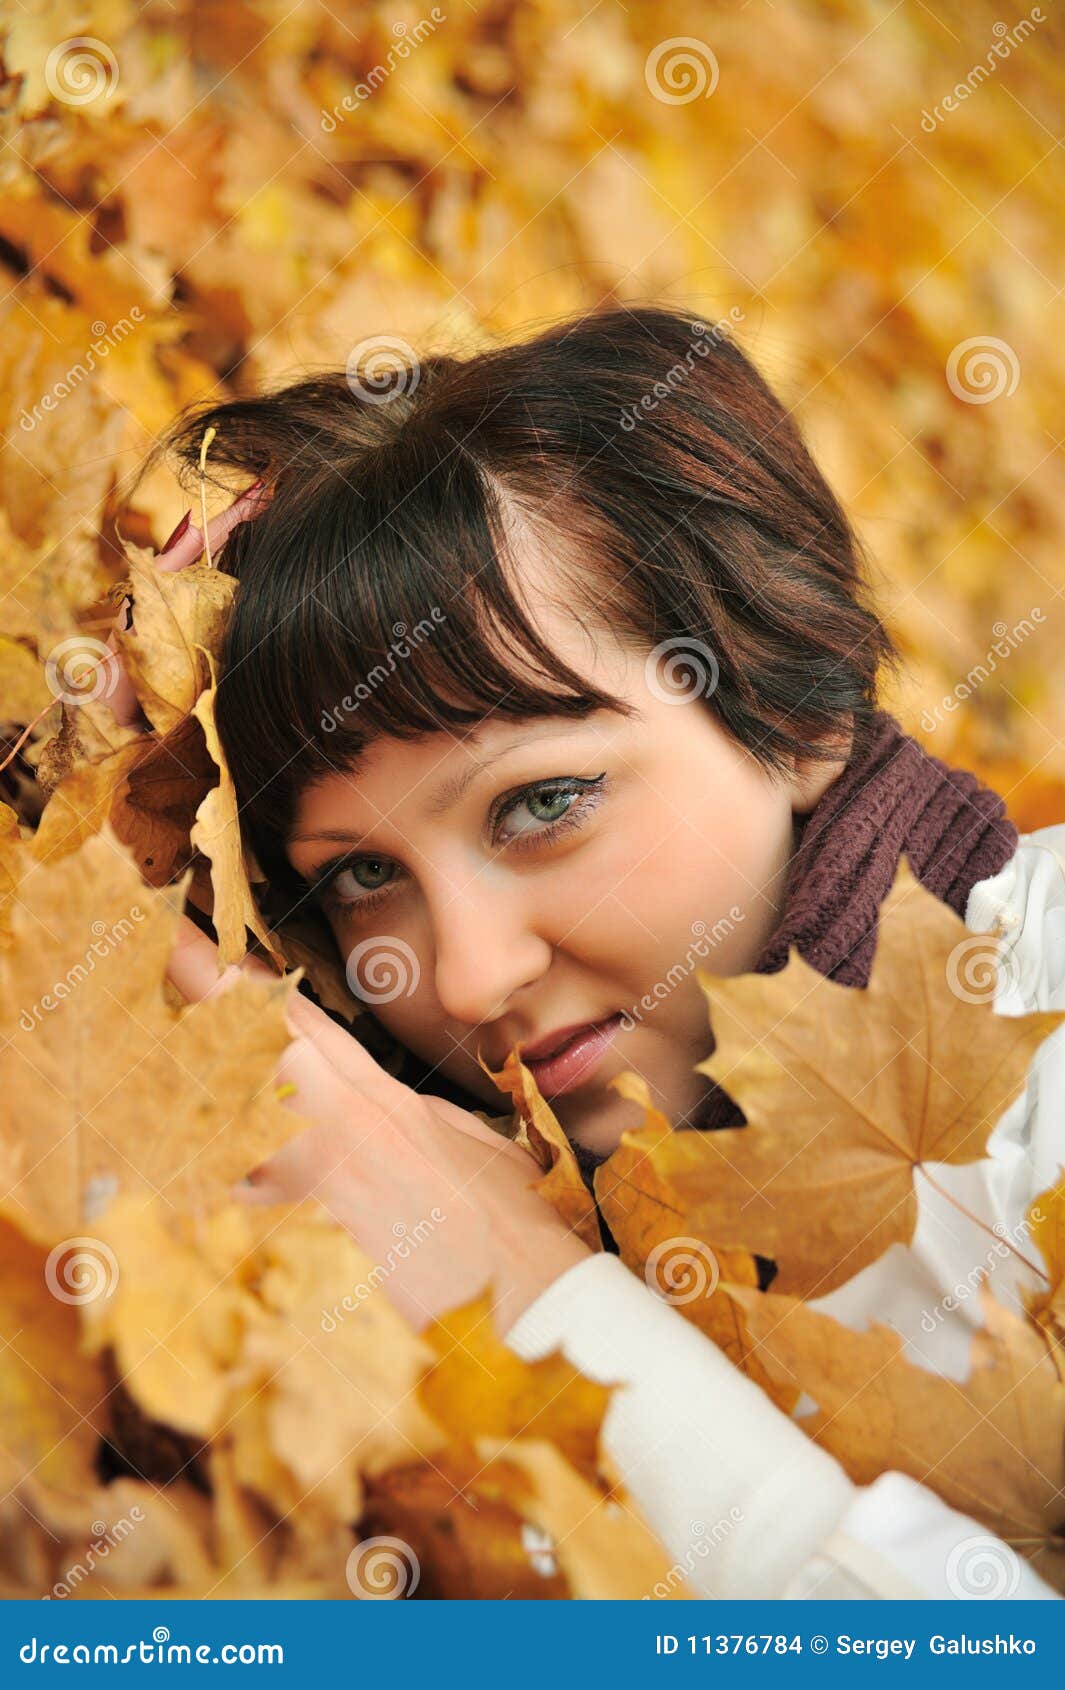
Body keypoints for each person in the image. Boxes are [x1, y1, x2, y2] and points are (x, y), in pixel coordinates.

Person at [106, 305, 1064, 1599]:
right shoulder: (395, 1176)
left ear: (791, 705)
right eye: (363, 876)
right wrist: (112, 802)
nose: (463, 977)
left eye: (542, 803)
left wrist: (550, 1308)